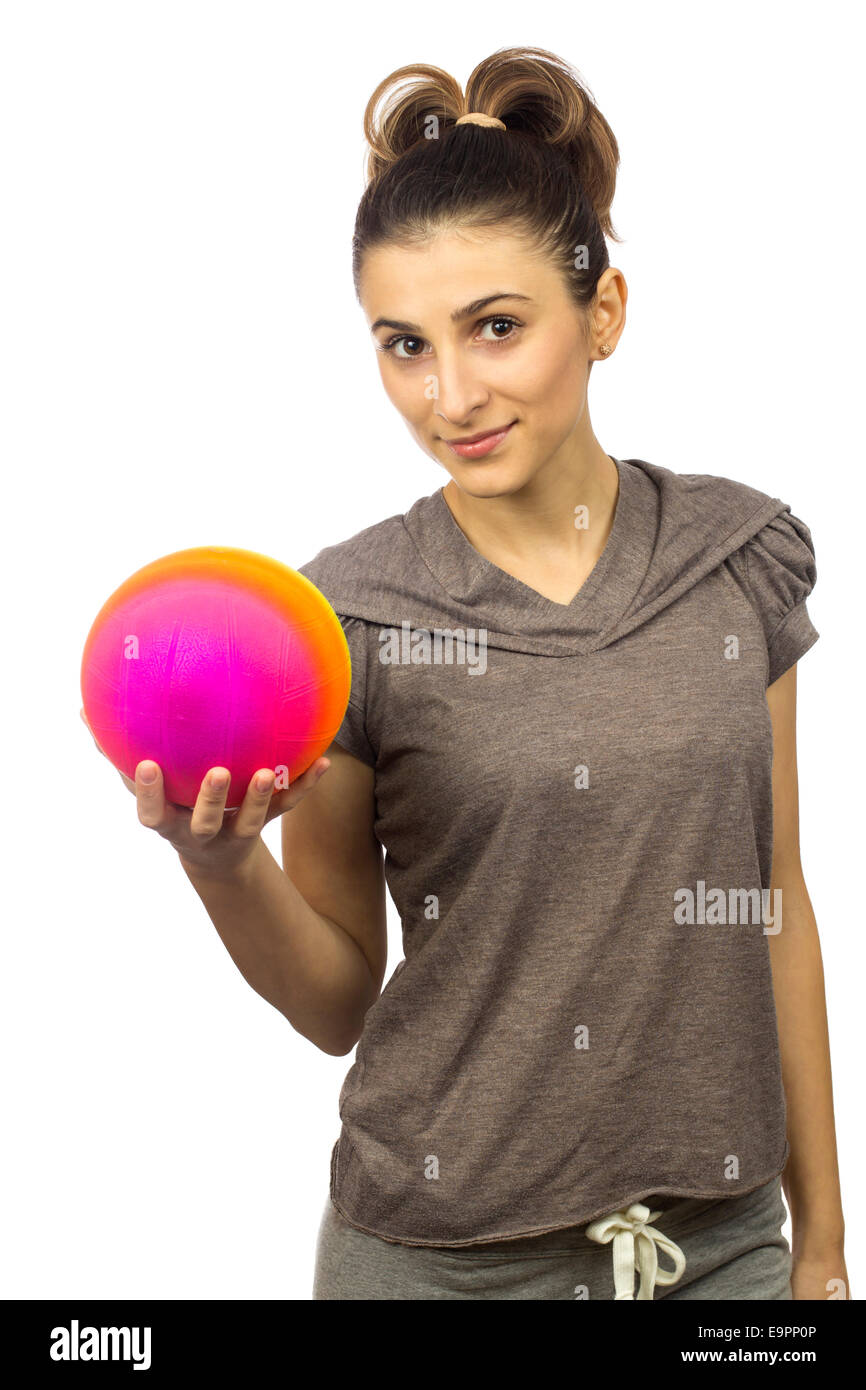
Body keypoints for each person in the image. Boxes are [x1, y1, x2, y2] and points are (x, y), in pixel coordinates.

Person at [83, 46, 848, 1301]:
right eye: (403, 344)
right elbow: (338, 998)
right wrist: (218, 867)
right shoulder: (352, 617)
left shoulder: (735, 558)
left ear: (600, 312)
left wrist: (817, 1242)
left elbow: (772, 902)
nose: (449, 395)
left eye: (496, 328)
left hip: (718, 1255)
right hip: (435, 1266)